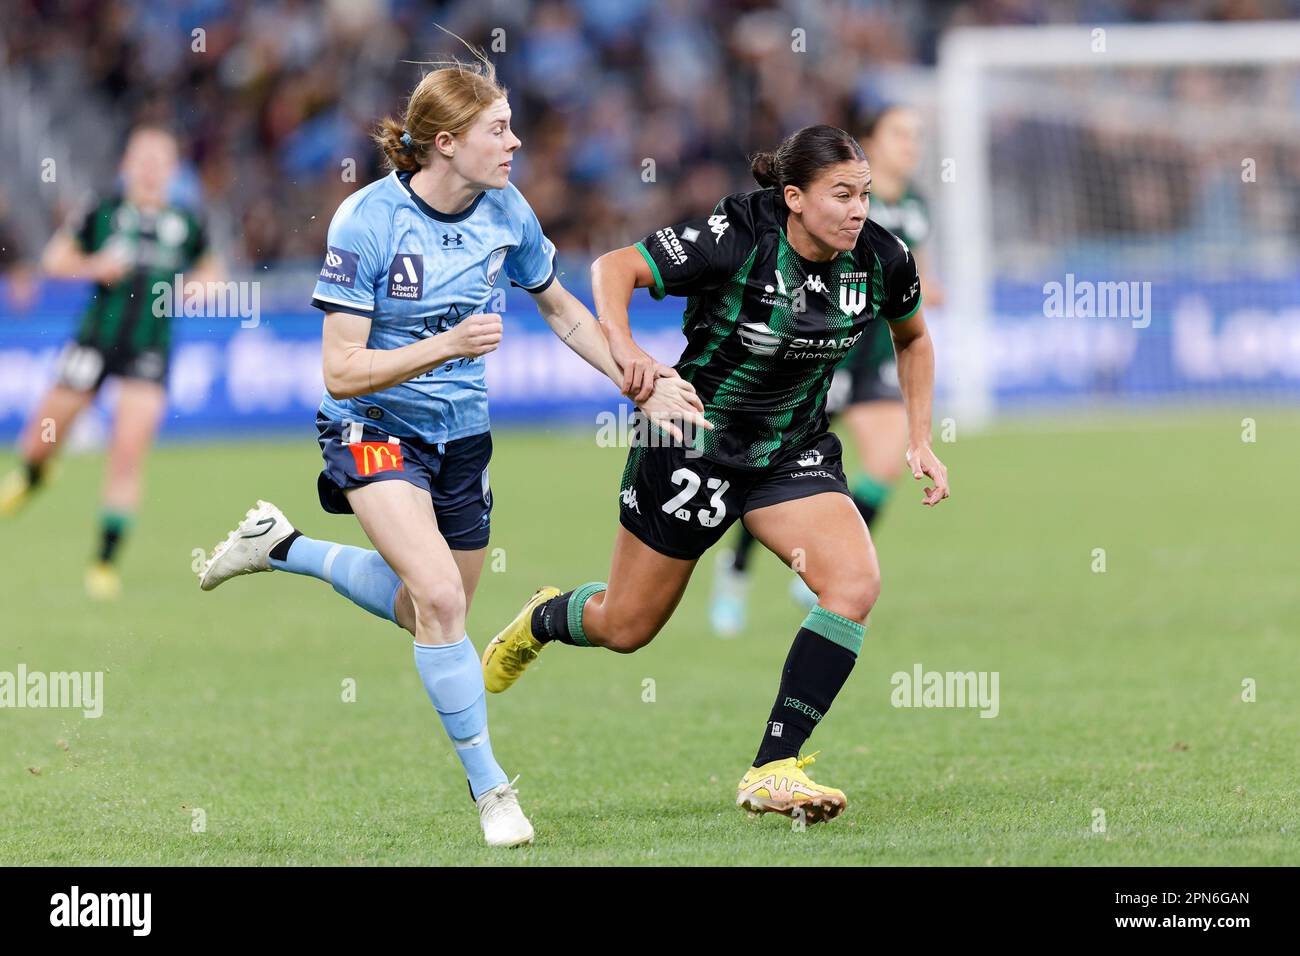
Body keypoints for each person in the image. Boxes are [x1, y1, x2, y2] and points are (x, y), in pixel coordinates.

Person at [195, 52, 705, 847]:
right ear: (443, 142)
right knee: (437, 596)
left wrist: (639, 382)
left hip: (461, 439)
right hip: (369, 425)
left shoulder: (508, 210)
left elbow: (565, 311)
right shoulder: (366, 221)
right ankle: (492, 791)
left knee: (431, 607)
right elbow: (340, 367)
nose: (515, 144)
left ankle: (283, 547)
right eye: (497, 130)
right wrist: (444, 345)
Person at [482, 124, 949, 825]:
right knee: (627, 626)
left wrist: (920, 437)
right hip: (691, 443)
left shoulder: (883, 258)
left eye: (865, 194)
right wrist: (624, 347)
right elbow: (615, 267)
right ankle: (545, 617)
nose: (859, 209)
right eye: (842, 194)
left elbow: (913, 337)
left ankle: (773, 766)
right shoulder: (737, 235)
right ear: (793, 197)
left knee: (854, 584)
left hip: (791, 452)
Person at [711, 104, 944, 634]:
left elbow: (913, 276)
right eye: (901, 135)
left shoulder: (915, 205)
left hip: (876, 355)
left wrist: (926, 291)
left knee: (886, 461)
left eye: (917, 136)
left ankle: (827, 561)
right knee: (772, 469)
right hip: (820, 353)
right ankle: (738, 567)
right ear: (870, 142)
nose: (912, 146)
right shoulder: (833, 197)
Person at [0, 126, 218, 599]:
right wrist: (93, 265)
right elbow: (54, 259)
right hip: (93, 343)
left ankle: (103, 562)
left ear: (172, 171)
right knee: (39, 440)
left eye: (160, 161)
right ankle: (36, 473)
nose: (150, 168)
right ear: (126, 165)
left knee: (126, 454)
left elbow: (211, 271)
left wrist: (204, 288)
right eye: (142, 159)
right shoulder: (101, 211)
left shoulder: (187, 222)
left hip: (148, 351)